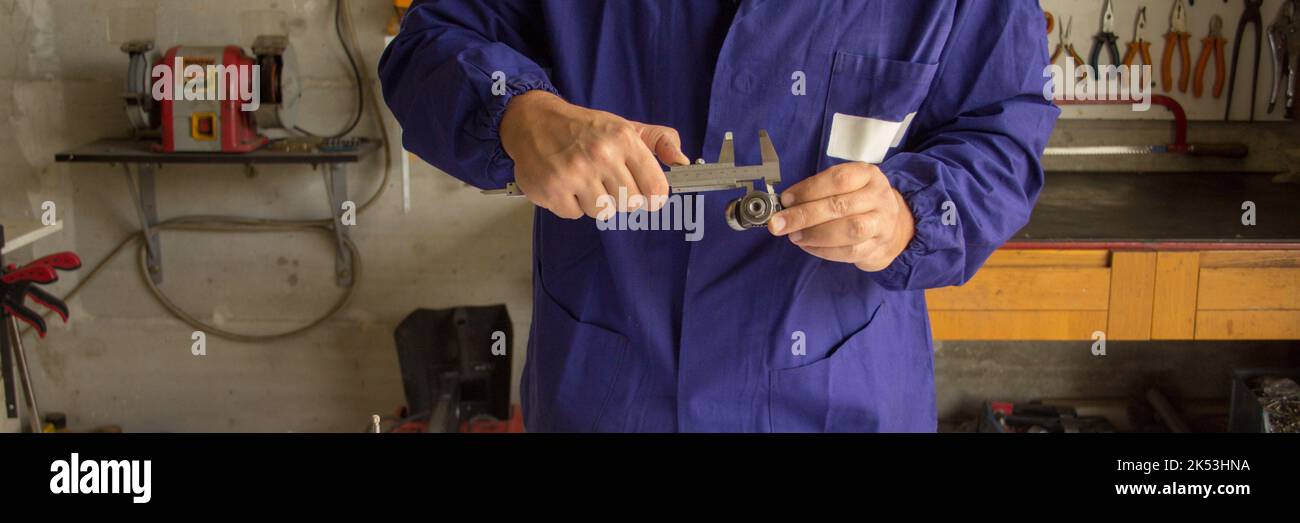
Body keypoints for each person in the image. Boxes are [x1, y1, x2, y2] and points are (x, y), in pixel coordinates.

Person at [379, 0, 1058, 432]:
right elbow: (427, 44)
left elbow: (1002, 135)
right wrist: (521, 116)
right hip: (607, 394)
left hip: (842, 398)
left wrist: (911, 213)